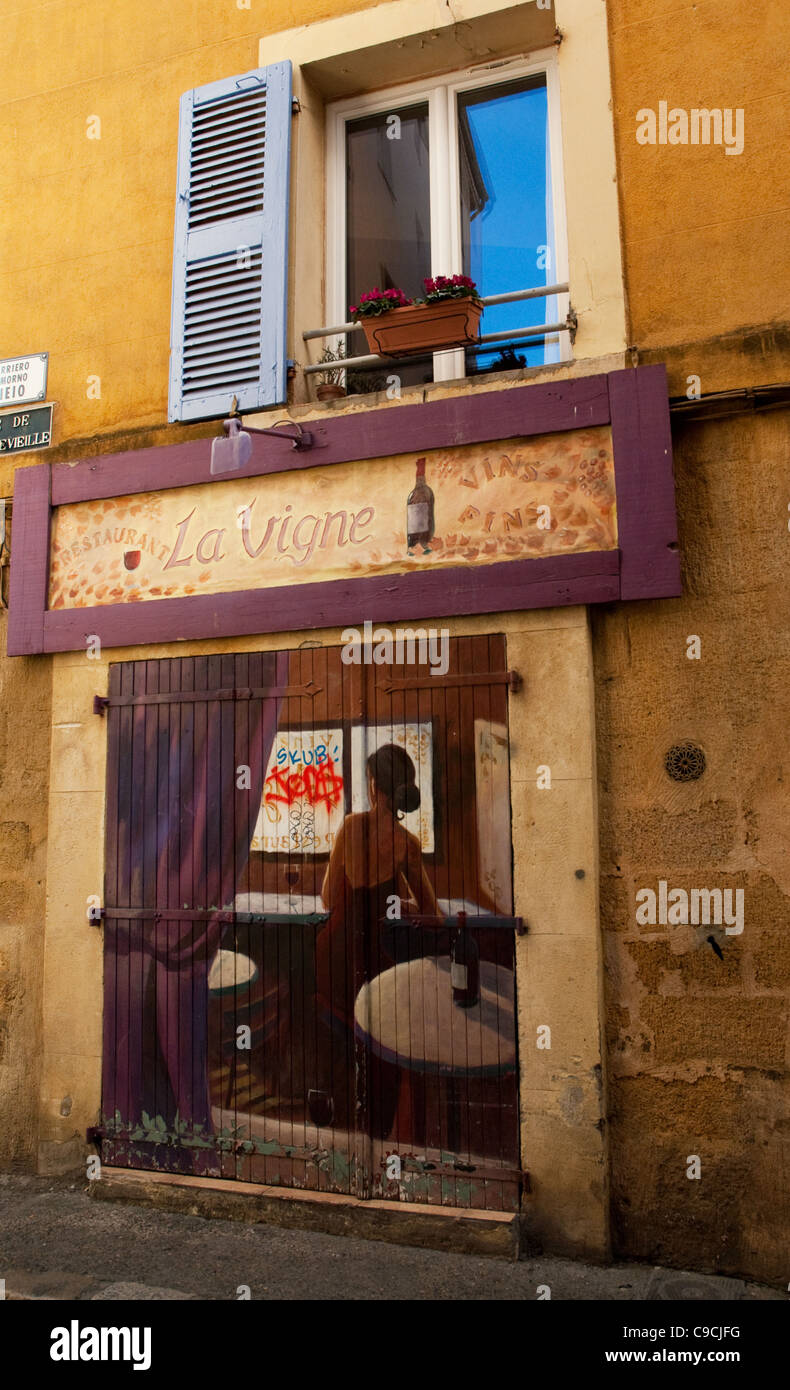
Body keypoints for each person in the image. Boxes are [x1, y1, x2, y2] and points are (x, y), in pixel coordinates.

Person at [312, 744, 440, 1136]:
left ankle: (335, 1116)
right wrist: (400, 898)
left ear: (374, 787)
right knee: (385, 1028)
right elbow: (432, 914)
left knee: (341, 1039)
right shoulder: (407, 844)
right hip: (371, 965)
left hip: (333, 958)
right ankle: (378, 1128)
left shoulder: (350, 826)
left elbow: (330, 897)